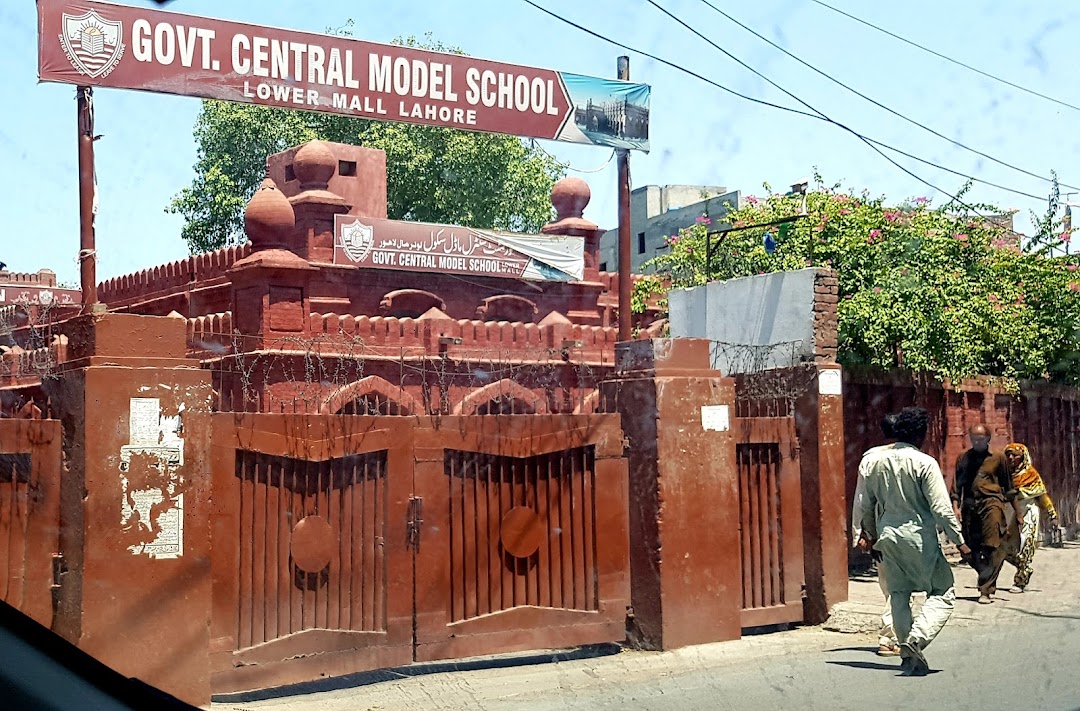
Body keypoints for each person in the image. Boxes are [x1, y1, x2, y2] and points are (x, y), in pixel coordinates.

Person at [858, 407, 971, 676]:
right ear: (921, 434)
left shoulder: (875, 462)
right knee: (943, 591)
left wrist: (871, 537)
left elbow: (866, 505)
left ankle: (907, 654)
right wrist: (960, 543)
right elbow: (942, 509)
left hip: (888, 538)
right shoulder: (925, 463)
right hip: (918, 538)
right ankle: (916, 640)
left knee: (899, 594)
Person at [852, 413, 900, 656]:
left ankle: (896, 634)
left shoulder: (870, 459)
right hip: (905, 532)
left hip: (879, 530)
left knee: (889, 585)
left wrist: (861, 532)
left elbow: (861, 499)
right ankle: (890, 636)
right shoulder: (914, 458)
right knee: (901, 587)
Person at [952, 425, 1015, 603]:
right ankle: (984, 573)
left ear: (988, 439)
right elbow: (957, 486)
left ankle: (985, 589)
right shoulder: (963, 458)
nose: (977, 442)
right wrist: (955, 507)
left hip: (992, 504)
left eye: (981, 439)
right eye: (974, 438)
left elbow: (1008, 487)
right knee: (967, 547)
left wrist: (1018, 513)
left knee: (992, 545)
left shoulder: (998, 458)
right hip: (970, 506)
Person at [1002, 443, 1058, 593]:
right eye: (1008, 455)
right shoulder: (1004, 474)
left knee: (1026, 543)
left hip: (1028, 510)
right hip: (1009, 511)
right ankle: (1023, 566)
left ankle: (1021, 579)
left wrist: (1052, 514)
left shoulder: (1031, 474)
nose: (1011, 458)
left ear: (1023, 457)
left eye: (1015, 455)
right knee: (1004, 547)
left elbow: (1042, 496)